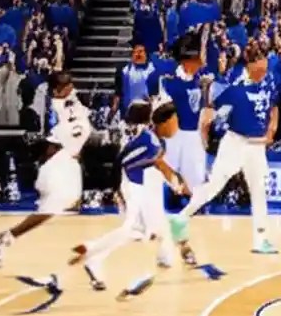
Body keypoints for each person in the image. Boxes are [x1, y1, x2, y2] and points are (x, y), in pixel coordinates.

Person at [65, 100, 197, 293]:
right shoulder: (152, 143)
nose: (177, 126)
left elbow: (156, 164)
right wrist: (178, 185)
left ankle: (96, 250)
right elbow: (151, 164)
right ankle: (93, 255)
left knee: (142, 230)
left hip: (137, 185)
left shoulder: (152, 139)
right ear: (164, 123)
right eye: (175, 121)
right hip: (130, 185)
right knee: (131, 229)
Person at [169, 41, 278, 254]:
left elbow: (274, 106)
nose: (264, 73)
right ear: (250, 65)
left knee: (260, 190)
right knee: (215, 185)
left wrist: (271, 130)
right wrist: (204, 135)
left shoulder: (269, 81)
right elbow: (211, 112)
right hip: (235, 142)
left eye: (266, 68)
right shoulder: (234, 87)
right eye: (261, 69)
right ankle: (182, 217)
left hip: (256, 146)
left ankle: (260, 239)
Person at [0, 71, 92, 269]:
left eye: (70, 85)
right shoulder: (53, 110)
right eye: (66, 87)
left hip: (68, 161)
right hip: (58, 163)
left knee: (65, 203)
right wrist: (49, 161)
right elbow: (50, 144)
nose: (71, 89)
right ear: (57, 90)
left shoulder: (72, 102)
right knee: (51, 208)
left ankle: (1, 240)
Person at [150, 29, 212, 195]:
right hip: (174, 135)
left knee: (195, 186)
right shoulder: (168, 80)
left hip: (194, 136)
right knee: (170, 181)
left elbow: (203, 109)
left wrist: (203, 133)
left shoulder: (200, 80)